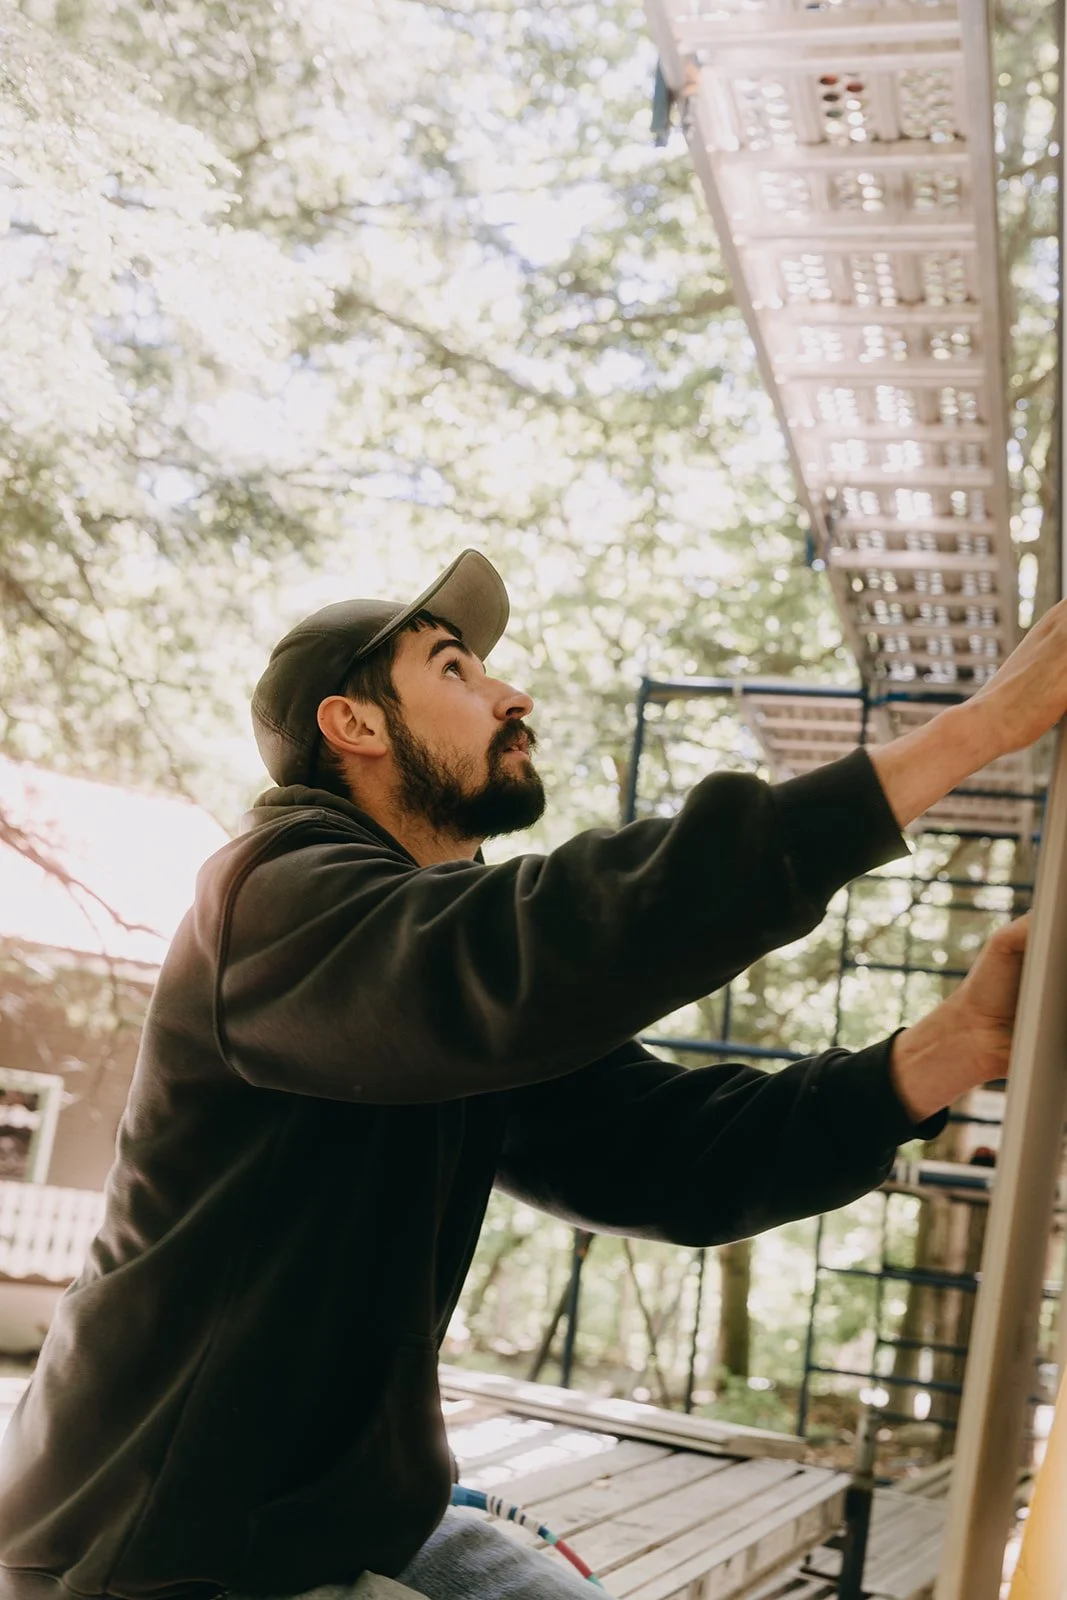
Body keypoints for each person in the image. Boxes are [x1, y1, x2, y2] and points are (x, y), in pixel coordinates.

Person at [0, 548, 1060, 1600]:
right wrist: (974, 732)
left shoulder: (437, 976)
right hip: (151, 1549)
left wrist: (950, 1044)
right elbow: (544, 945)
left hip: (346, 1519)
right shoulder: (271, 900)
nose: (511, 693)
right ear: (355, 724)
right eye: (453, 669)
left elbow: (661, 1154)